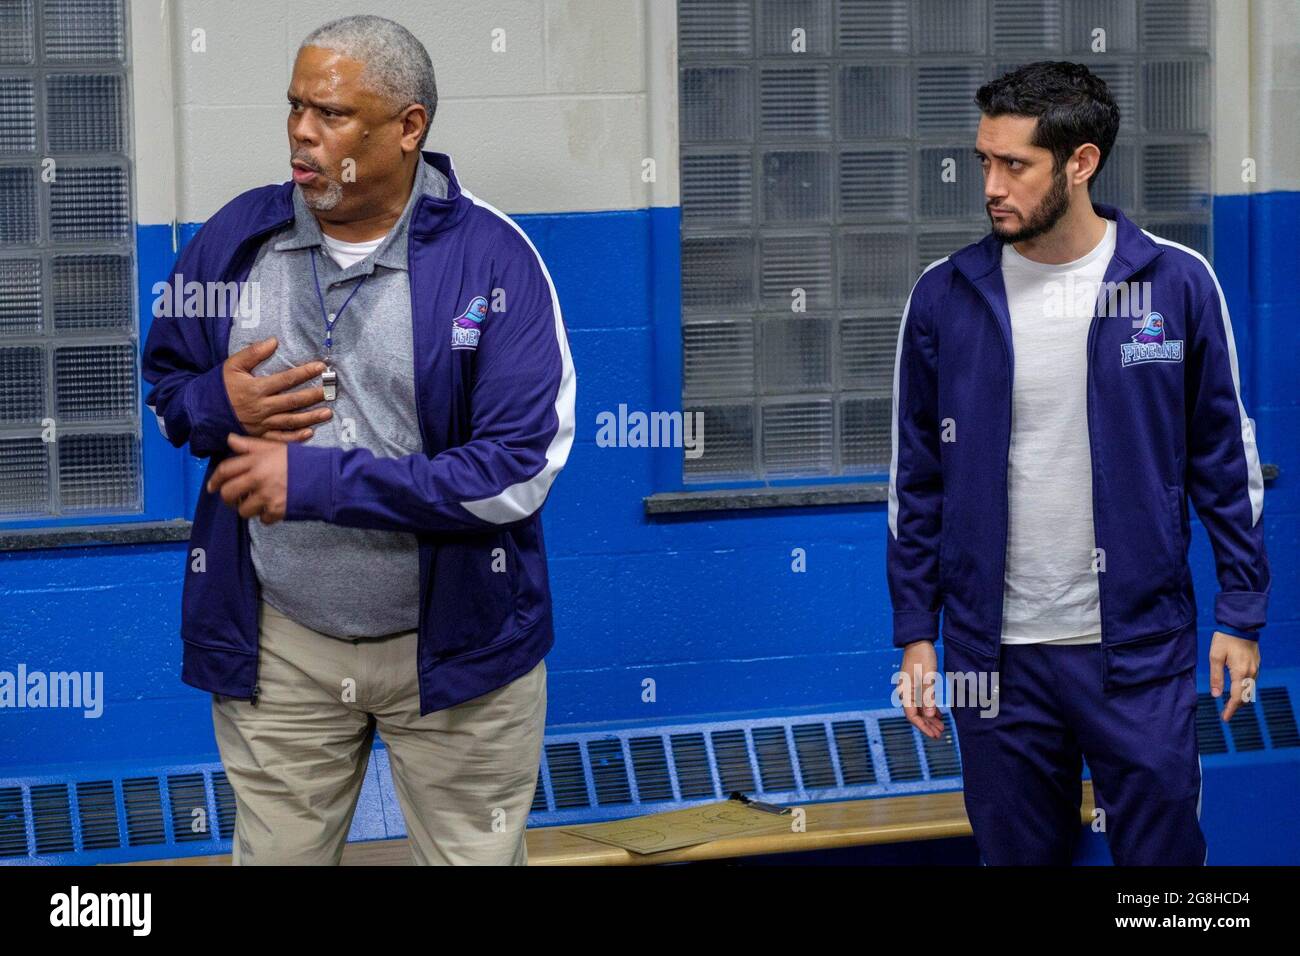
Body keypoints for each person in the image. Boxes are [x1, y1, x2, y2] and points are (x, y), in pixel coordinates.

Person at [141, 15, 576, 865]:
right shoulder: (236, 242)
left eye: (333, 114)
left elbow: (514, 475)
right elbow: (167, 398)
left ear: (409, 128)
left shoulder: (494, 262)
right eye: (296, 107)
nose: (302, 131)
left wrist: (315, 482)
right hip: (283, 648)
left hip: (457, 654)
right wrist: (216, 403)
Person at [886, 61, 1269, 865]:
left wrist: (1240, 609)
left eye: (1015, 165)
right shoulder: (945, 296)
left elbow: (1224, 461)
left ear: (1081, 163)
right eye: (985, 160)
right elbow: (915, 481)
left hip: (1139, 649)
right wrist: (918, 634)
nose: (991, 184)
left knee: (1164, 870)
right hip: (993, 661)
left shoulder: (1172, 284)